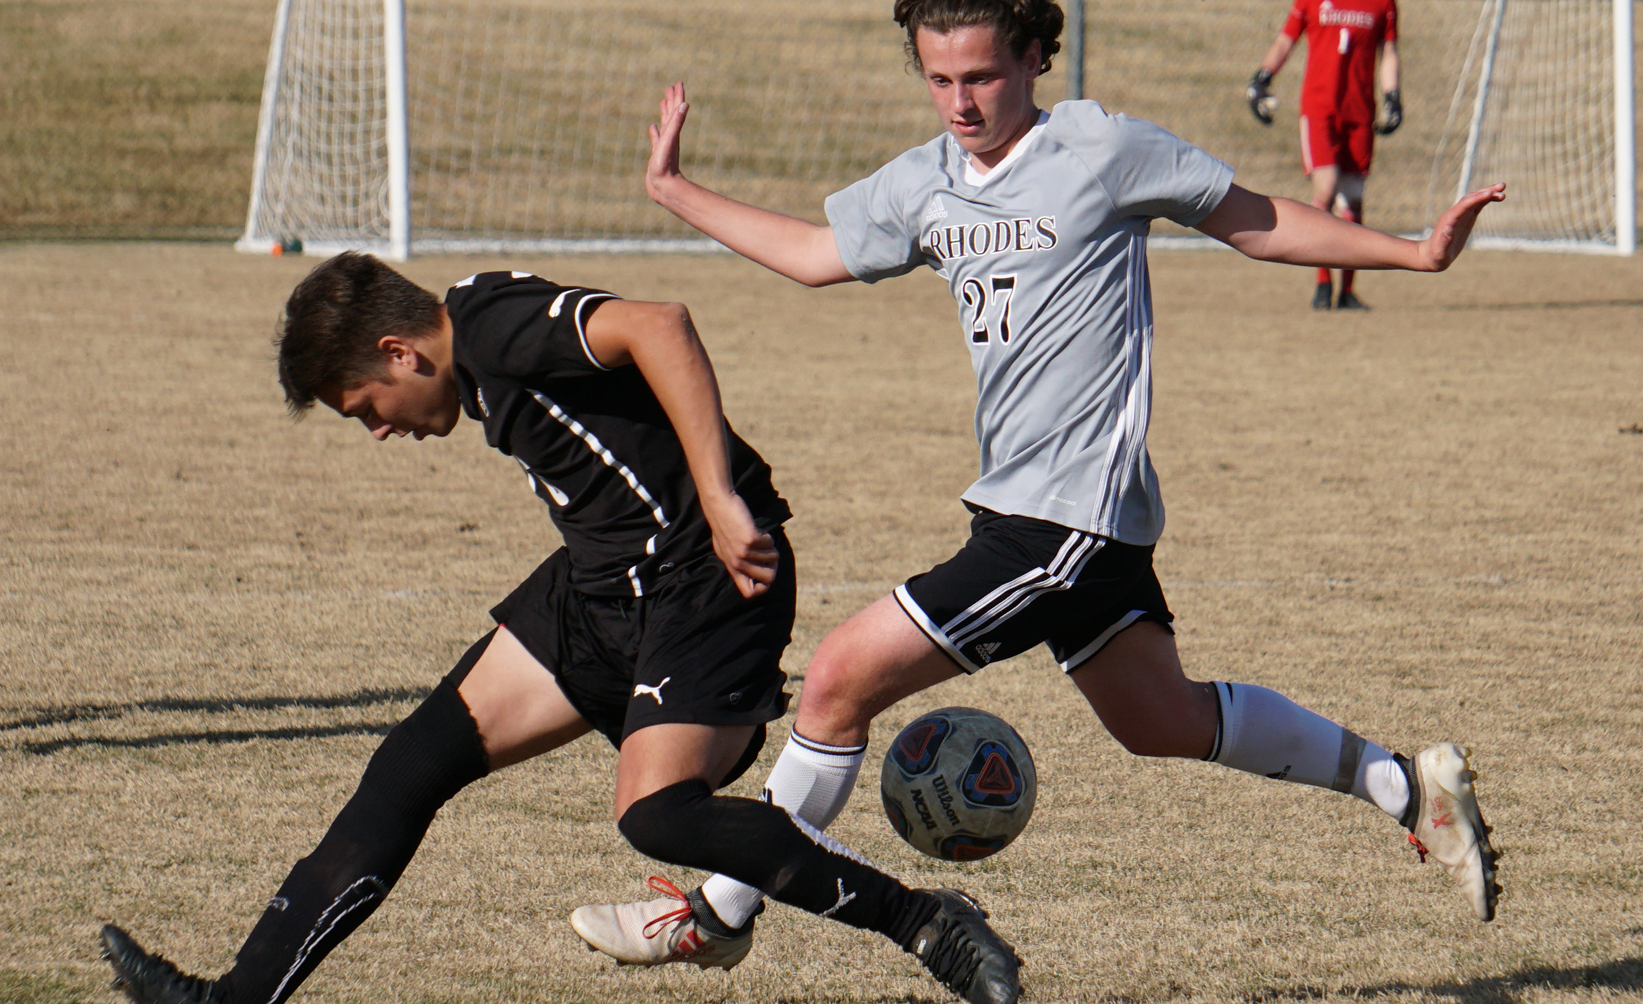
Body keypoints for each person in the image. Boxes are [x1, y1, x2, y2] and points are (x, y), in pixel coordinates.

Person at [568, 0, 1504, 970]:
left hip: (1069, 518)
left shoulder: (1099, 149)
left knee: (837, 677)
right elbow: (808, 253)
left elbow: (1257, 218)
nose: (960, 102)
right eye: (938, 80)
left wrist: (1412, 252)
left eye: (981, 77)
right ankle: (1406, 787)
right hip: (1033, 515)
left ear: (1031, 58)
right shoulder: (924, 181)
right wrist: (672, 189)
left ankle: (717, 915)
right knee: (1163, 720)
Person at [97, 254, 1022, 1004]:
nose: (378, 431)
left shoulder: (491, 329)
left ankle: (926, 925)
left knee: (658, 814)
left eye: (364, 408)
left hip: (704, 576)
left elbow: (660, 323)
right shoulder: (477, 354)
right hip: (596, 590)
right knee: (411, 766)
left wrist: (717, 492)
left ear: (398, 351)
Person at [1247, 0, 1401, 311]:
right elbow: (1286, 39)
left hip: (1359, 112)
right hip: (1319, 109)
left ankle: (1347, 290)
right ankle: (1320, 283)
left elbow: (1389, 53)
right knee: (1326, 188)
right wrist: (1263, 76)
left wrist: (1392, 96)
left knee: (1353, 198)